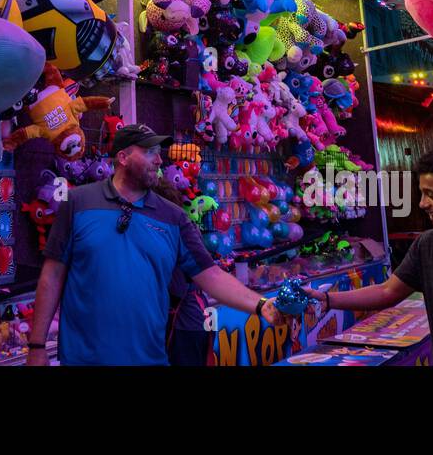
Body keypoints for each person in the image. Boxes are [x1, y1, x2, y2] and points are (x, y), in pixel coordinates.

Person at [26, 124, 283, 365]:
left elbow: (212, 275)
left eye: (158, 153)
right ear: (123, 157)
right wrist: (37, 346)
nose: (159, 160)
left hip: (148, 358)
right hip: (82, 359)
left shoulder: (174, 217)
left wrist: (261, 305)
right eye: (149, 152)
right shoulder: (78, 203)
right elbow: (52, 275)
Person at [302, 141, 433, 366]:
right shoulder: (428, 245)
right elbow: (388, 291)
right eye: (421, 194)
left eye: (431, 194)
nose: (422, 204)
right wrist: (328, 299)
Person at [151, 177, 210, 366]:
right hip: (200, 314)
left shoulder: (169, 233)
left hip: (184, 321)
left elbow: (177, 288)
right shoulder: (185, 227)